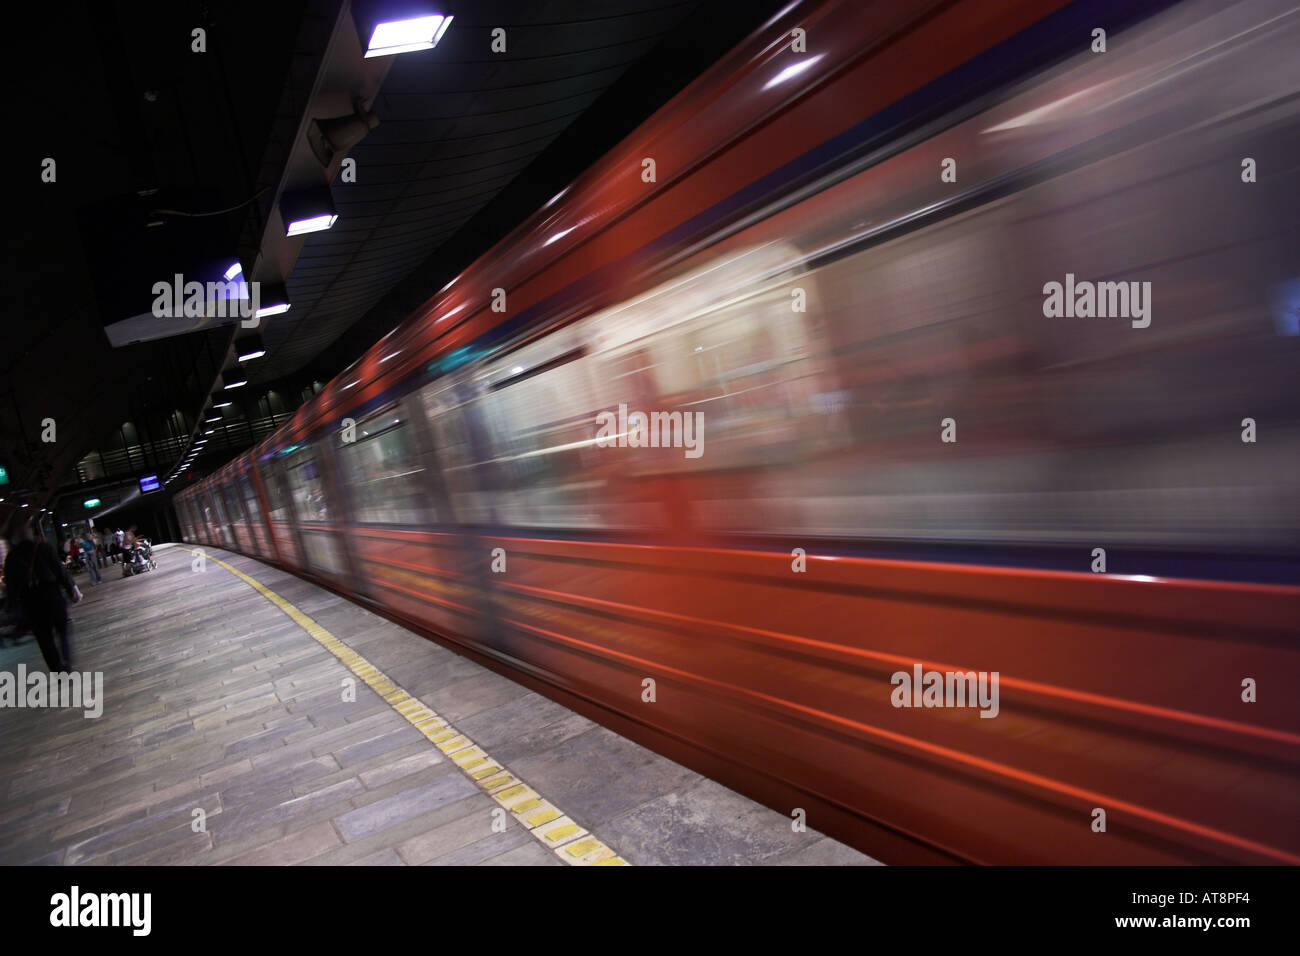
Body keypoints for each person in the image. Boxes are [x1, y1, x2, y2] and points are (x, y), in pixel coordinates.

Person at [2, 516, 81, 671]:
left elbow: (11, 586)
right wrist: (72, 589)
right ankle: (66, 660)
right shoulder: (44, 548)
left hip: (30, 601)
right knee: (62, 628)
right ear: (31, 534)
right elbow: (60, 571)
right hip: (51, 594)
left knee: (44, 638)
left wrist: (11, 607)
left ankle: (57, 669)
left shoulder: (11, 557)